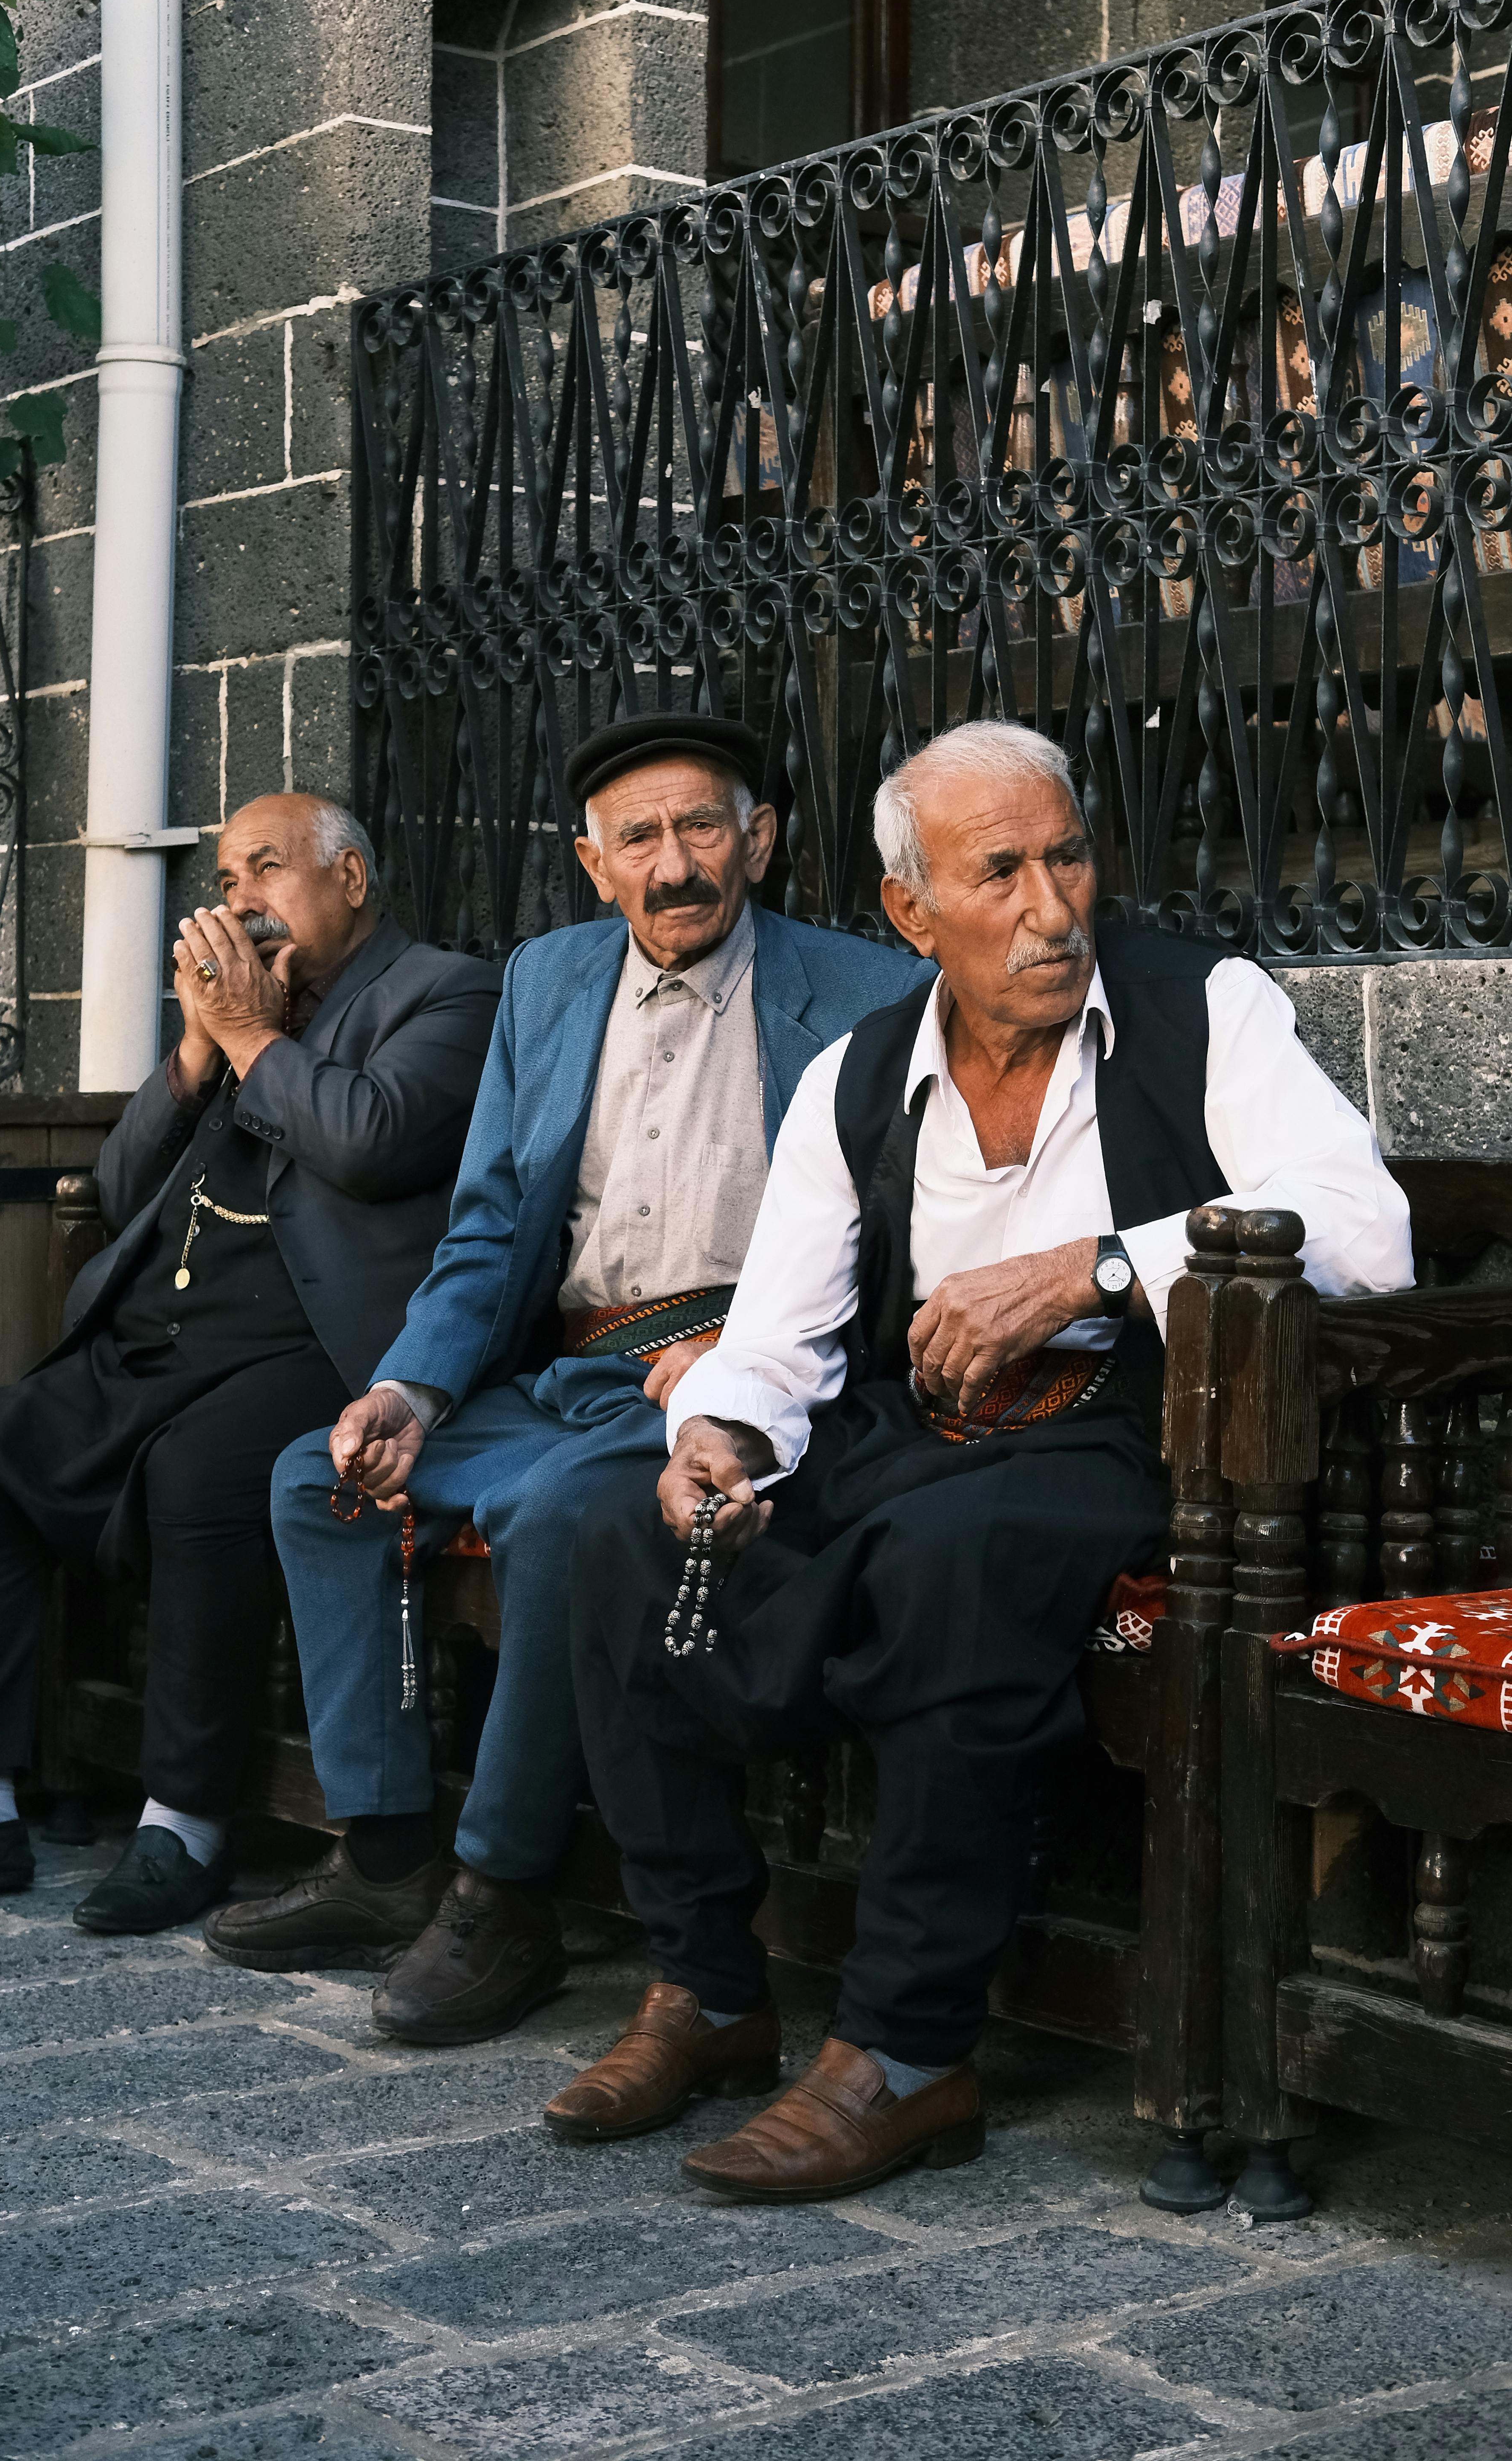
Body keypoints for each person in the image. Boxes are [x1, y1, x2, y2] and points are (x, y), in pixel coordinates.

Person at [548, 719, 1414, 2200]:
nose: (1051, 908)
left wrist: (1096, 1268)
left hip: (1124, 1435)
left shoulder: (1206, 1007)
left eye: (1067, 858)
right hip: (919, 1436)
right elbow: (783, 1336)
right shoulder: (858, 1074)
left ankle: (905, 2052)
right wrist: (720, 1441)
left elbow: (1366, 1233)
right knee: (623, 1535)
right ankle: (708, 1990)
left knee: (956, 1562)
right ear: (913, 910)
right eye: (999, 873)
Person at [204, 713, 920, 2039]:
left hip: (728, 1385)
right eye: (638, 838)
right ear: (595, 866)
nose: (674, 864)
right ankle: (387, 1856)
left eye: (701, 827)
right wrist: (410, 1391)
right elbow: (487, 1225)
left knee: (556, 1518)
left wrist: (750, 1354)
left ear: (759, 840)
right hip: (574, 1376)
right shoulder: (547, 979)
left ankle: (503, 1895)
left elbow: (902, 1239)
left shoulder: (867, 992)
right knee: (323, 1477)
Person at [0, 795, 500, 1934]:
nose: (240, 899)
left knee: (198, 1471)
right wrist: (199, 1049)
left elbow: (372, 1143)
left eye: (266, 868)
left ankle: (185, 1823)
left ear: (352, 880)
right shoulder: (234, 1019)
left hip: (319, 1349)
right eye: (226, 880)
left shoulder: (446, 993)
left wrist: (252, 1035)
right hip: (163, 1331)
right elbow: (120, 1190)